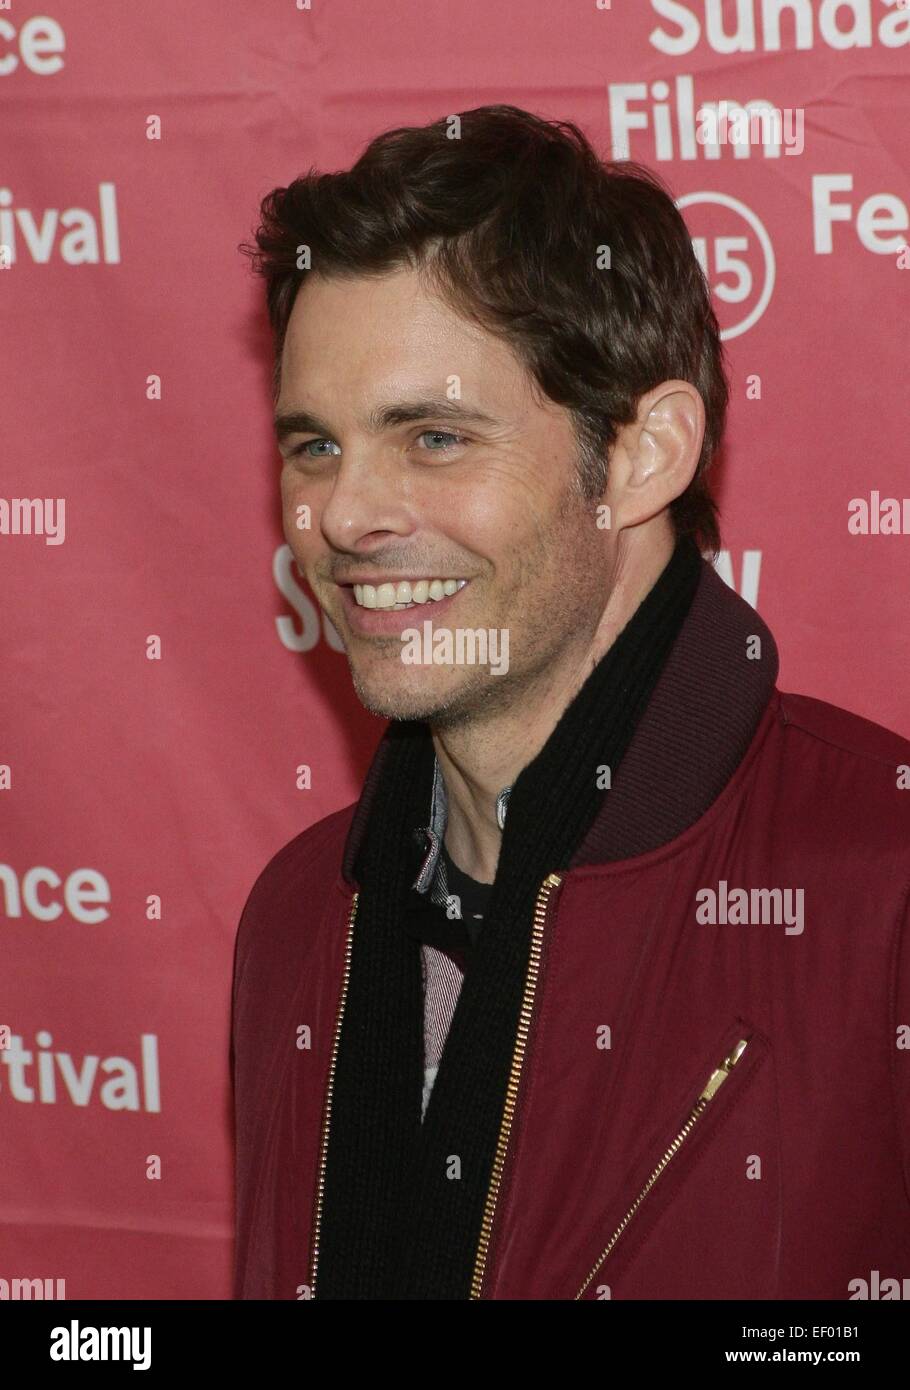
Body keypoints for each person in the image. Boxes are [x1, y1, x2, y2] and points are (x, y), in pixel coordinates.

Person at [231, 104, 910, 1300]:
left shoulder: (881, 883)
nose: (341, 518)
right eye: (313, 447)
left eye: (433, 436)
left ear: (644, 455)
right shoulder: (298, 915)